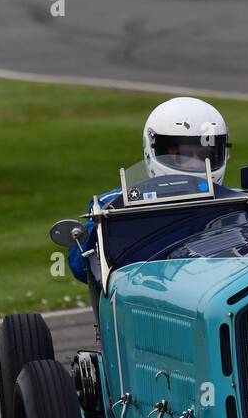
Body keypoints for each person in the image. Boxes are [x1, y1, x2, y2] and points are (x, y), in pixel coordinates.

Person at [67, 97, 231, 285]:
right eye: (182, 155)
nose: (195, 163)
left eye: (205, 156)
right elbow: (81, 268)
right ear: (153, 148)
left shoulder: (237, 203)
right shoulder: (113, 206)